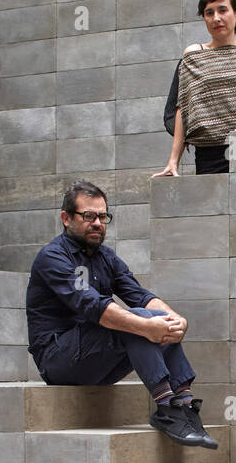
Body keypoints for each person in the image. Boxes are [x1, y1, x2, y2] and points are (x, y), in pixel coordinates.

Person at [25, 180, 217, 448]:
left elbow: (139, 295)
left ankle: (183, 405)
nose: (97, 223)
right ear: (66, 219)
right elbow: (90, 305)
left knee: (155, 319)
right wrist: (145, 325)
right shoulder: (53, 257)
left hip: (96, 361)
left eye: (103, 216)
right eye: (88, 216)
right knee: (137, 322)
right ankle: (166, 407)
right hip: (58, 361)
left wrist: (176, 320)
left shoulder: (106, 257)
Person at [155, 0, 236, 177]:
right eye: (209, 13)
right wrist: (173, 161)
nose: (216, 18)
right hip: (208, 152)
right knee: (211, 205)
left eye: (223, 10)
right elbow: (183, 108)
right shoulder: (193, 55)